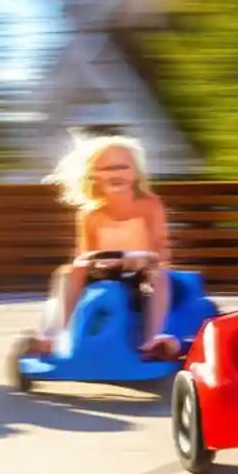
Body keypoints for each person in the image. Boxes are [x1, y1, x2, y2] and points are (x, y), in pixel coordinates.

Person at [33, 134, 178, 359]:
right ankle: (53, 335)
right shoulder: (90, 214)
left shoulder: (149, 205)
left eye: (122, 167)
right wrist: (92, 261)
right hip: (104, 271)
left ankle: (154, 338)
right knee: (69, 272)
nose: (116, 174)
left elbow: (159, 245)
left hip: (141, 270)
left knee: (158, 276)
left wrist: (148, 259)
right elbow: (84, 253)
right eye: (106, 168)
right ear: (93, 175)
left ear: (135, 172)